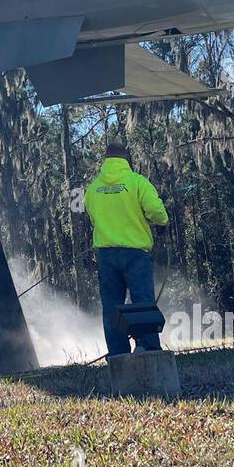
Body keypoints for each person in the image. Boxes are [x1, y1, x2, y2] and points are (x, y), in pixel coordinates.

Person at [83, 139, 168, 356]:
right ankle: (148, 349)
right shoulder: (137, 182)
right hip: (135, 254)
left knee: (112, 306)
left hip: (106, 256)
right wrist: (160, 222)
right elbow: (156, 212)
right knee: (143, 302)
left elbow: (93, 216)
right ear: (126, 159)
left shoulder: (93, 188)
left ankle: (118, 353)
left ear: (105, 161)